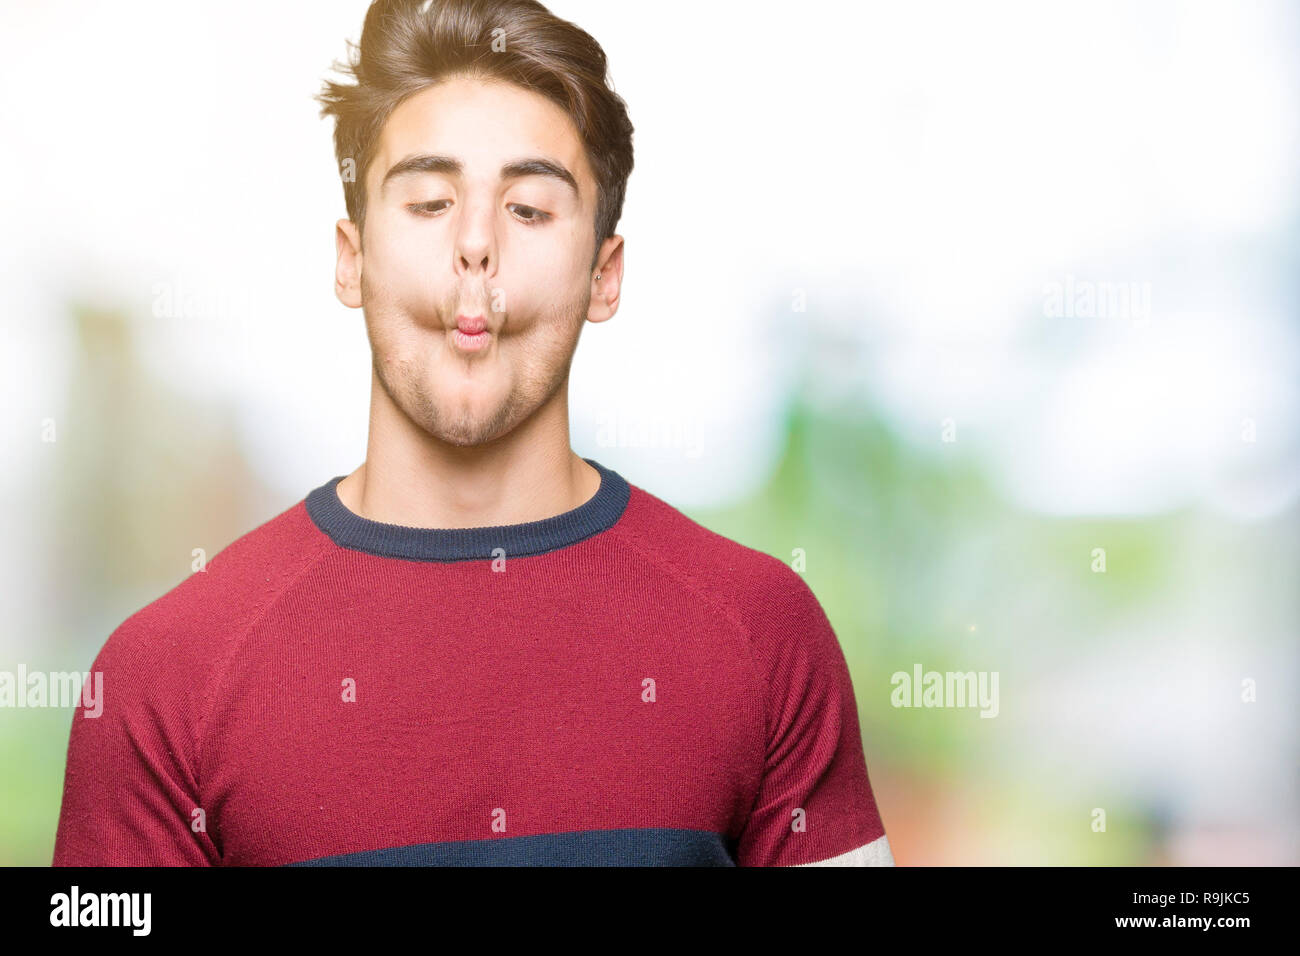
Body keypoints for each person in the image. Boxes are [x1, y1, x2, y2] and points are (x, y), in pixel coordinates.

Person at [52, 0, 894, 867]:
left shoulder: (762, 636)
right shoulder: (164, 679)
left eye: (529, 209)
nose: (476, 245)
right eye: (428, 201)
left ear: (604, 276)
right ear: (352, 257)